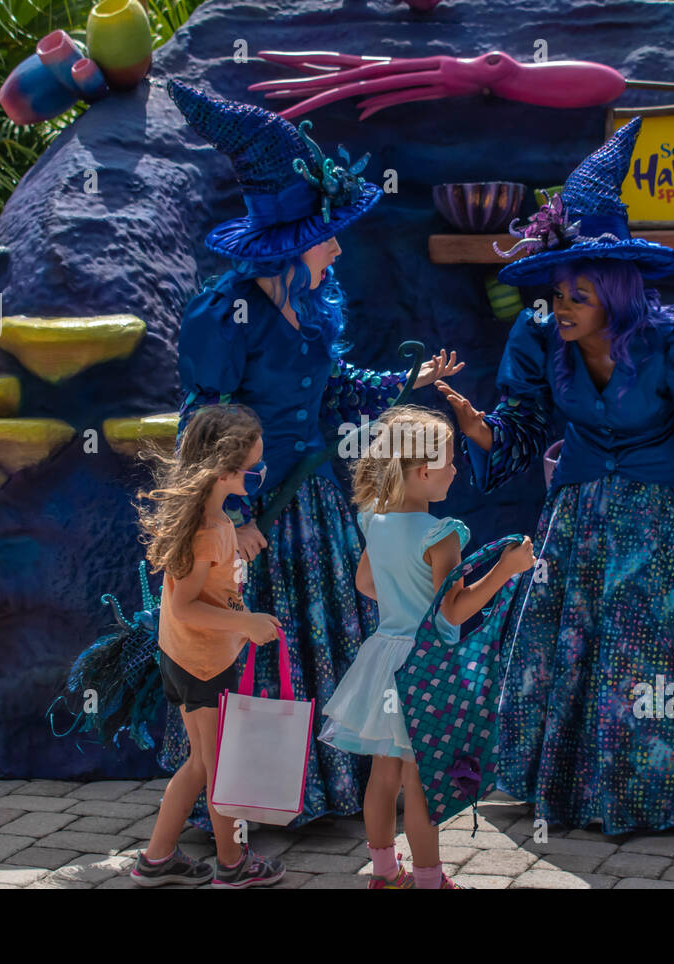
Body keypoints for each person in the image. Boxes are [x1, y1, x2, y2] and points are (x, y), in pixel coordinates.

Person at [436, 117, 674, 835]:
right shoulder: (538, 335)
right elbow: (524, 425)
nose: (559, 307)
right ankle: (564, 782)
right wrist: (480, 429)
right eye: (556, 292)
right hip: (580, 516)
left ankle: (654, 789)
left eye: (577, 296)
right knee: (564, 655)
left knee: (647, 661)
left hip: (663, 519)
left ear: (617, 294)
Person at [163, 82, 464, 828]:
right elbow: (200, 426)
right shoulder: (226, 314)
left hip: (313, 504)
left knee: (320, 639)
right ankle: (244, 801)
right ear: (294, 245)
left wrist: (407, 380)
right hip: (254, 516)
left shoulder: (311, 305)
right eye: (326, 234)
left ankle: (322, 791)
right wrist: (231, 515)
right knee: (252, 648)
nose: (336, 245)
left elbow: (333, 393)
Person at [319, 405, 534, 888]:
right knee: (423, 783)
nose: (457, 469)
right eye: (451, 461)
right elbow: (449, 614)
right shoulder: (443, 534)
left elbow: (366, 583)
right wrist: (505, 570)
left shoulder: (375, 521)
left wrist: (402, 594)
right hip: (426, 668)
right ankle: (431, 881)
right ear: (422, 472)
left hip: (383, 660)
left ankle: (383, 874)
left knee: (384, 775)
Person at [128, 404, 288, 888]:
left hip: (184, 660)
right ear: (223, 470)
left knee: (201, 764)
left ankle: (157, 859)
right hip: (204, 666)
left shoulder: (208, 522)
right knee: (223, 772)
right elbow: (186, 609)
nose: (258, 474)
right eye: (252, 468)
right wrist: (247, 623)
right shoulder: (208, 532)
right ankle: (234, 865)